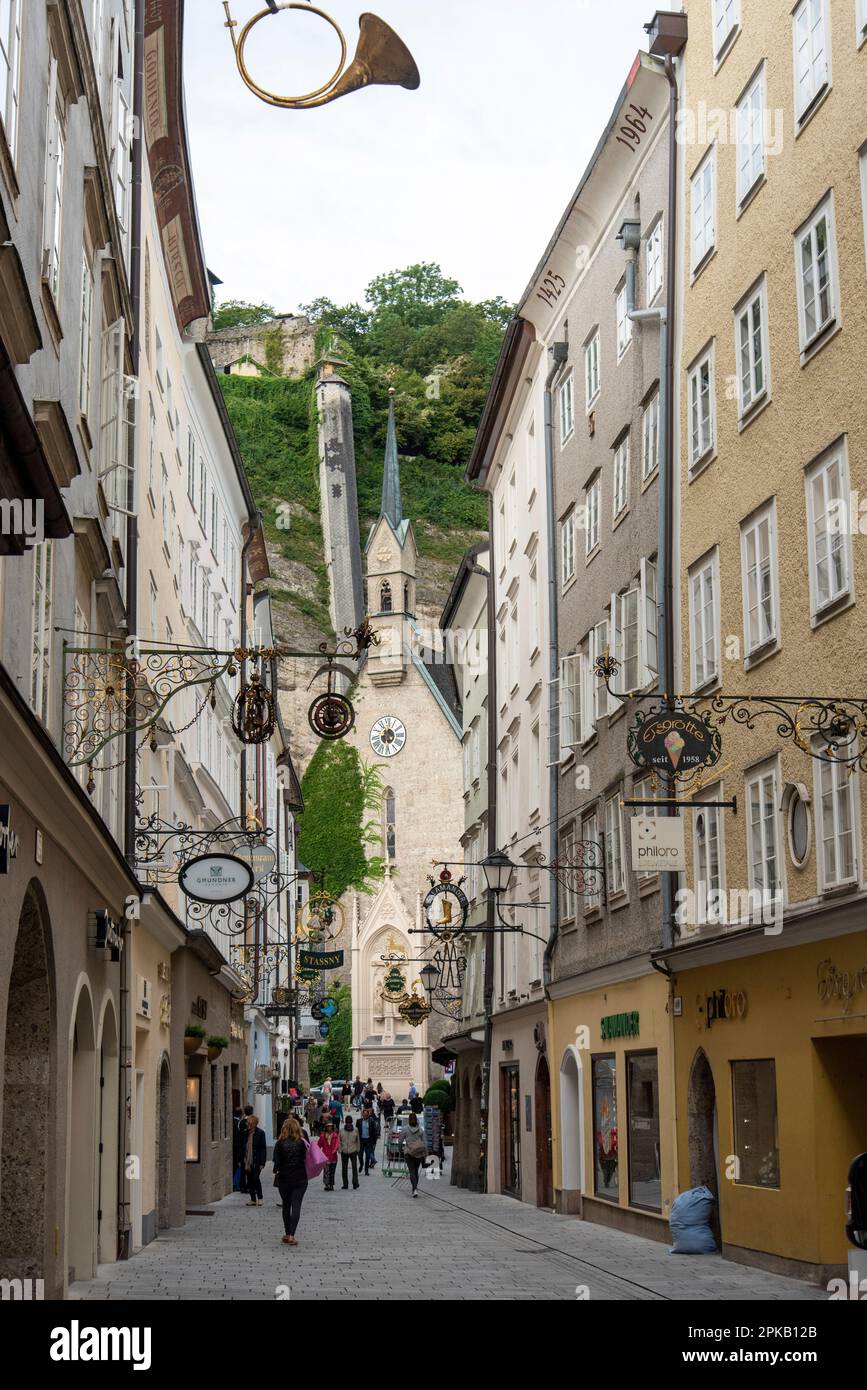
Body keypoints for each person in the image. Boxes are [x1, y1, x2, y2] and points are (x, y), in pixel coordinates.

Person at [273, 1115, 308, 1246]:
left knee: (286, 1206)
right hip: (300, 1178)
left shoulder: (279, 1144)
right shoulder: (302, 1143)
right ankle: (292, 1235)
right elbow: (306, 1158)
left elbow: (276, 1163)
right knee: (296, 1205)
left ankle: (287, 1233)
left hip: (285, 1178)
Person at [400, 1112, 427, 1196]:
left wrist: (401, 1150)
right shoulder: (421, 1130)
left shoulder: (405, 1129)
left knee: (412, 1171)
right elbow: (425, 1143)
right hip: (418, 1153)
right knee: (416, 1171)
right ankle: (414, 1189)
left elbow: (400, 1141)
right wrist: (425, 1154)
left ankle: (414, 1189)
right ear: (416, 1120)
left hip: (409, 1153)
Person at [243, 1113, 267, 1207]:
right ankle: (253, 1199)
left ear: (254, 1124)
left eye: (250, 1124)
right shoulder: (245, 1133)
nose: (248, 1125)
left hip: (256, 1160)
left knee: (255, 1179)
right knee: (249, 1180)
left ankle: (260, 1198)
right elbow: (243, 1147)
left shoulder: (260, 1133)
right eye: (247, 1123)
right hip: (247, 1161)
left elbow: (263, 1148)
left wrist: (262, 1162)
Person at [339, 1115, 360, 1189]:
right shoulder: (341, 1130)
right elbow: (339, 1141)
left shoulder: (356, 1130)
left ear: (352, 1122)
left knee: (354, 1167)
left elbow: (358, 1141)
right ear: (345, 1122)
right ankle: (345, 1184)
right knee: (344, 1168)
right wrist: (340, 1149)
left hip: (353, 1151)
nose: (348, 1124)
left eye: (349, 1122)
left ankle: (355, 1183)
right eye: (347, 1122)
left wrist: (357, 1149)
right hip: (344, 1151)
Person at [318, 1120, 339, 1191]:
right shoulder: (322, 1136)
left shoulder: (335, 1135)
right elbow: (319, 1145)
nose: (329, 1128)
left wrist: (335, 1150)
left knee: (332, 1171)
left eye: (331, 1126)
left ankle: (331, 1184)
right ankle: (326, 1184)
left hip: (333, 1156)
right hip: (325, 1156)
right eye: (328, 1127)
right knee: (326, 1171)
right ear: (326, 1127)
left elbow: (337, 1144)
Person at [358, 1107, 380, 1174]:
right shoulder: (359, 1121)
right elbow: (357, 1131)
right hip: (361, 1141)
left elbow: (374, 1132)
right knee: (360, 1155)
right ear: (362, 1115)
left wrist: (374, 1141)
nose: (365, 1116)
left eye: (366, 1115)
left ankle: (366, 1170)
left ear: (368, 1115)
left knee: (368, 1156)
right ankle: (361, 1164)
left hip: (368, 1140)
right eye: (363, 1114)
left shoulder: (371, 1122)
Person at [232, 1108, 245, 1191]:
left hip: (233, 1147)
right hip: (238, 1148)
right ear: (240, 1115)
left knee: (235, 1165)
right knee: (238, 1166)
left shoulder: (231, 1121)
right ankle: (236, 1183)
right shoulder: (239, 1123)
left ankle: (235, 1183)